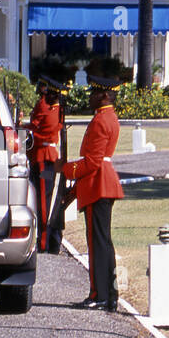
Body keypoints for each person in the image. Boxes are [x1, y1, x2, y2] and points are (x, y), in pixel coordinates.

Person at [60, 76, 125, 311]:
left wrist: (65, 169)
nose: (90, 96)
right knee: (103, 241)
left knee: (98, 243)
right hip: (100, 182)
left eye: (95, 93)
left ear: (105, 96)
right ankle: (109, 294)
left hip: (99, 183)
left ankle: (100, 295)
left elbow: (93, 162)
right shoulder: (106, 117)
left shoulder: (101, 120)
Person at [27, 76, 64, 254]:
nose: (44, 93)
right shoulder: (53, 108)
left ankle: (44, 242)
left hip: (44, 158)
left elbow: (39, 130)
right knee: (43, 198)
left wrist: (25, 131)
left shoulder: (48, 108)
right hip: (42, 156)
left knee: (43, 200)